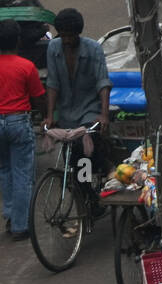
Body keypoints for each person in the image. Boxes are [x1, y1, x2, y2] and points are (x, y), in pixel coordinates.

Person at [0, 20, 45, 241]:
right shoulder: (26, 66)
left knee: (5, 169)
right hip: (19, 121)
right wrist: (44, 117)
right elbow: (38, 96)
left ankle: (12, 216)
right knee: (23, 173)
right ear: (18, 40)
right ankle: (21, 226)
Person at [44, 8, 111, 176]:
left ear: (77, 33)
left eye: (70, 36)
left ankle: (88, 184)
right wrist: (50, 115)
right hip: (66, 110)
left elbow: (103, 82)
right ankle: (81, 186)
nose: (66, 40)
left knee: (84, 146)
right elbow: (52, 83)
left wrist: (104, 114)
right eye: (63, 35)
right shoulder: (53, 47)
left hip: (89, 109)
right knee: (71, 157)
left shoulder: (93, 48)